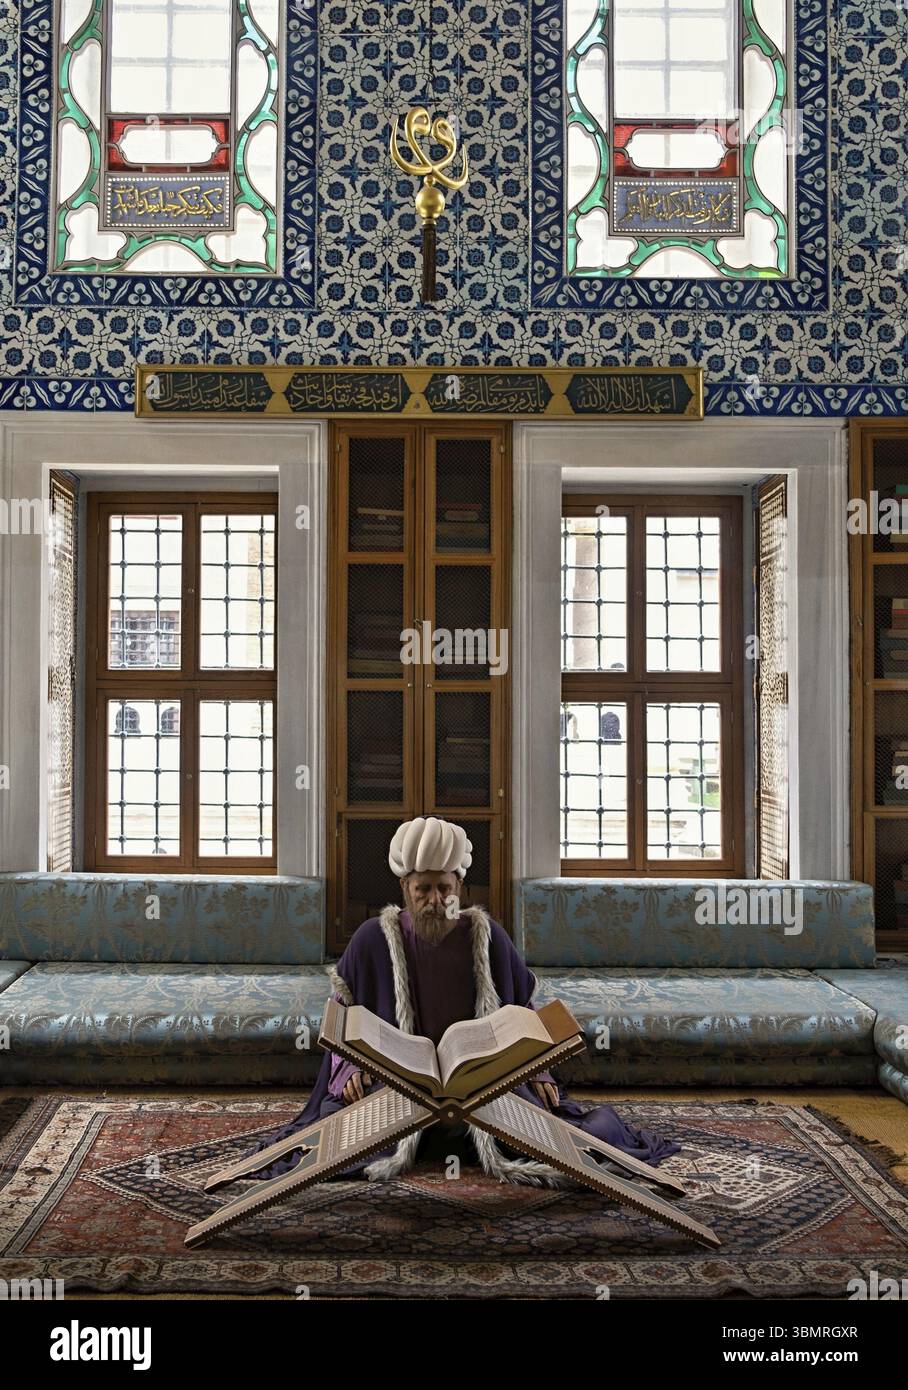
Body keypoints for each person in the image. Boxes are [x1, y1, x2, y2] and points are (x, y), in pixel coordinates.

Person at [244, 816, 681, 1184]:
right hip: (394, 1087)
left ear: (460, 885)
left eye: (444, 889)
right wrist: (350, 1069)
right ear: (404, 887)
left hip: (482, 1092)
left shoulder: (487, 937)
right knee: (335, 1137)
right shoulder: (372, 938)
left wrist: (541, 1072)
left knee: (564, 1139)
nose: (435, 901)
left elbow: (524, 1013)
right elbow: (344, 1013)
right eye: (424, 889)